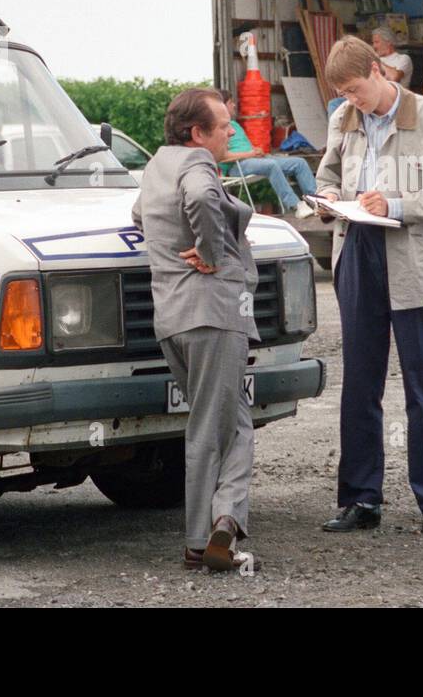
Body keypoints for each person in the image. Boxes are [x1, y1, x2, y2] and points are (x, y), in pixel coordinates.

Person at [315, 35, 423, 537]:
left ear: (380, 70)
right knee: (360, 382)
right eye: (344, 94)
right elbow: (327, 173)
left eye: (357, 90)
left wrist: (397, 205)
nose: (352, 101)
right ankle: (361, 499)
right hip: (358, 250)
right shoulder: (343, 118)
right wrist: (329, 196)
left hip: (414, 258)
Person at [132, 88, 261, 572]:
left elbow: (141, 216)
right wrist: (209, 250)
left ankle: (225, 519)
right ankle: (196, 541)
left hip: (172, 320)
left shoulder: (156, 165)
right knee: (211, 426)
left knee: (236, 420)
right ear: (197, 134)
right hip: (212, 315)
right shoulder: (198, 165)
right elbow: (205, 197)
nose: (231, 132)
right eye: (224, 125)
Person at [218, 89, 317, 219]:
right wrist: (250, 154)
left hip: (254, 160)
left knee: (299, 162)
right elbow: (221, 157)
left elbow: (243, 145)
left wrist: (256, 150)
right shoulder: (217, 128)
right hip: (236, 166)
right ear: (222, 105)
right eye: (231, 102)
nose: (234, 105)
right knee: (270, 165)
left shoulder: (235, 124)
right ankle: (295, 205)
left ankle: (317, 201)